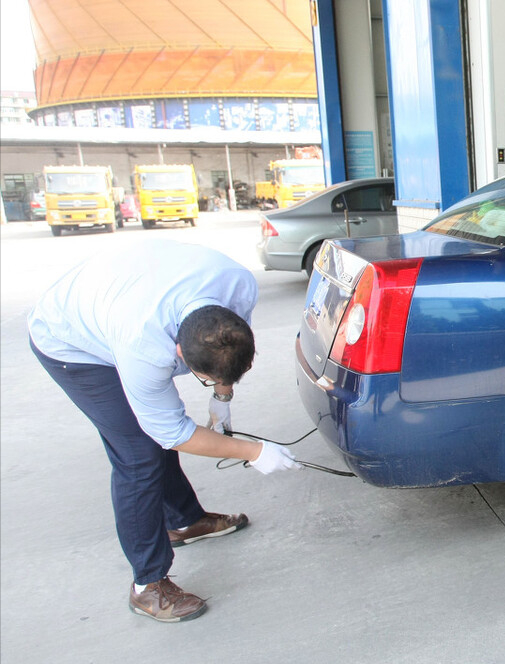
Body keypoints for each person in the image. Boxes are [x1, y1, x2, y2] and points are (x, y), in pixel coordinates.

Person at [27, 239, 302, 623]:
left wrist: (222, 395)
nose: (212, 382)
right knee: (139, 455)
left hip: (121, 294)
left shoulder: (237, 286)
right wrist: (253, 451)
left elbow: (229, 349)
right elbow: (172, 433)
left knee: (150, 440)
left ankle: (186, 521)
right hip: (70, 341)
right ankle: (147, 585)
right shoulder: (143, 346)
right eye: (205, 379)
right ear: (179, 354)